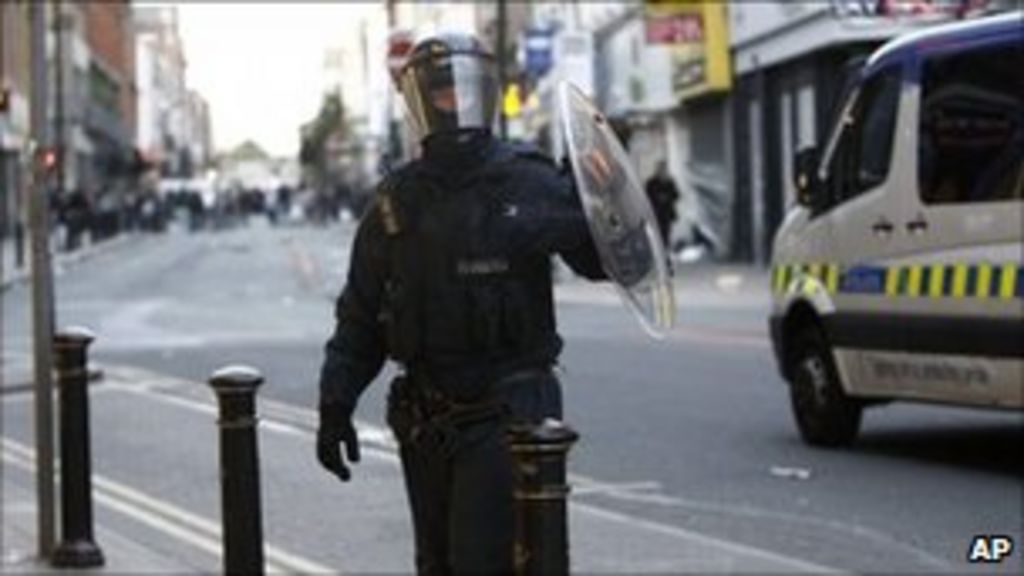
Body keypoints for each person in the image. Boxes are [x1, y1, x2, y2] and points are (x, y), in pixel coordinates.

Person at [315, 33, 605, 575]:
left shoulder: (531, 179)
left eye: (467, 91)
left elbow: (602, 259)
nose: (457, 105)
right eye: (444, 93)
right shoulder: (395, 202)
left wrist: (593, 205)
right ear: (421, 101)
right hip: (426, 422)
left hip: (509, 414)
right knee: (437, 564)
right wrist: (335, 402)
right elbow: (360, 317)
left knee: (482, 563)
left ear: (490, 93)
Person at [644, 160, 680, 248]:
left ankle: (666, 251)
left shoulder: (669, 182)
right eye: (661, 169)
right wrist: (657, 198)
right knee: (657, 234)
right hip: (656, 213)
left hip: (666, 214)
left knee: (666, 234)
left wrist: (667, 197)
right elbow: (647, 196)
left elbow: (677, 195)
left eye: (664, 169)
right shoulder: (651, 183)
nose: (662, 171)